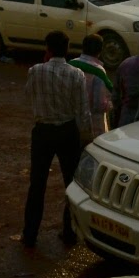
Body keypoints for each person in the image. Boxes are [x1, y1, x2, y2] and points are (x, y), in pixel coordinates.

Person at [23, 31, 89, 247]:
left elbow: (29, 95)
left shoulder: (36, 71)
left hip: (43, 132)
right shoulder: (77, 74)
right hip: (68, 131)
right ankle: (69, 231)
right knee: (71, 183)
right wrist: (85, 137)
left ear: (48, 49)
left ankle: (30, 234)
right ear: (67, 50)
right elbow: (83, 112)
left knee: (37, 184)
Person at [69, 33, 113, 142]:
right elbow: (99, 104)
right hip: (93, 125)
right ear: (100, 51)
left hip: (71, 122)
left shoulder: (71, 65)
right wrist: (111, 105)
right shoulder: (98, 71)